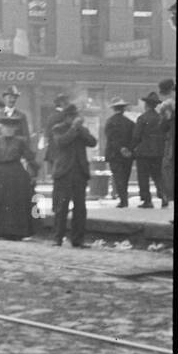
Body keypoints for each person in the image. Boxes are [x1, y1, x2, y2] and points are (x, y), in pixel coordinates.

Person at [0, 116, 38, 240]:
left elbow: (30, 157)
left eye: (11, 127)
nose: (8, 130)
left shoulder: (20, 141)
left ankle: (15, 232)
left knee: (14, 202)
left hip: (15, 174)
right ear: (1, 128)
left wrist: (34, 173)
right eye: (6, 127)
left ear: (16, 129)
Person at [50, 103, 97, 248]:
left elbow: (92, 142)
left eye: (75, 116)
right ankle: (58, 238)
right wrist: (74, 128)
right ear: (66, 117)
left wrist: (80, 129)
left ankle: (78, 239)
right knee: (61, 207)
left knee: (80, 208)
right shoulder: (58, 129)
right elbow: (61, 142)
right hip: (64, 172)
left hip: (79, 173)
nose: (74, 118)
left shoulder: (82, 130)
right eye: (71, 116)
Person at [131, 91, 167, 208]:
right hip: (158, 152)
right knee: (158, 175)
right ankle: (163, 195)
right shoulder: (161, 118)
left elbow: (136, 136)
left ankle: (147, 201)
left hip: (144, 152)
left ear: (146, 105)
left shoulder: (142, 118)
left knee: (143, 176)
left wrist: (131, 149)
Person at [102, 97, 135, 208]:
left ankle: (123, 200)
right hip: (127, 155)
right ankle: (124, 198)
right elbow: (134, 138)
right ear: (123, 109)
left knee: (118, 177)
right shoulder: (130, 123)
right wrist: (128, 149)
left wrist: (120, 148)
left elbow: (110, 139)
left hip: (114, 154)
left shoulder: (110, 122)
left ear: (114, 109)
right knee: (125, 177)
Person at [157, 77, 175, 203]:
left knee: (168, 167)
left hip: (172, 141)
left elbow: (162, 127)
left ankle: (170, 196)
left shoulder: (167, 105)